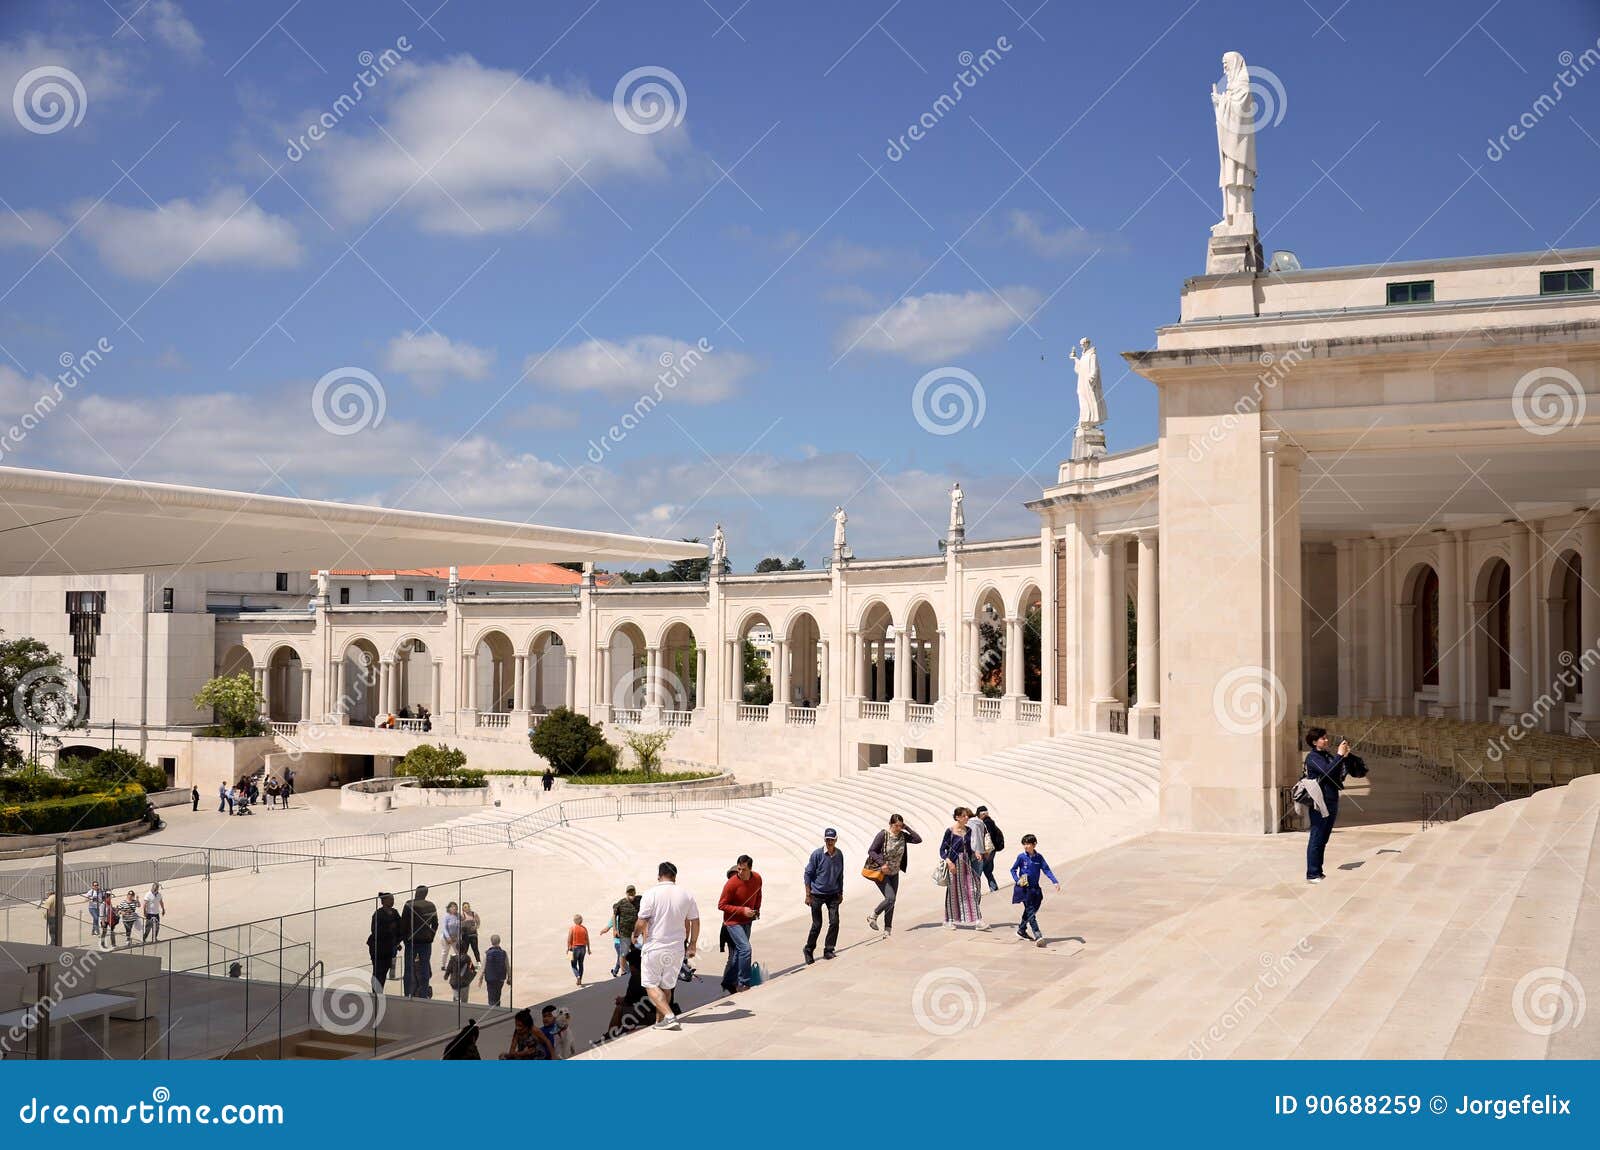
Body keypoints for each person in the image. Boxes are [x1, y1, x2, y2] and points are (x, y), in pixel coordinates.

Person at [633, 861, 700, 1032]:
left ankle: (669, 1017)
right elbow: (695, 921)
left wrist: (635, 935)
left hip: (655, 946)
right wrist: (692, 944)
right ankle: (660, 1022)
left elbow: (642, 921)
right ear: (675, 876)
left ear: (659, 875)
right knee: (667, 987)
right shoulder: (686, 895)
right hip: (676, 949)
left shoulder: (651, 894)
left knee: (650, 985)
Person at [1296, 727, 1362, 883]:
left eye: (1326, 737)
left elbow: (1338, 774)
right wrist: (1339, 755)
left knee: (1324, 838)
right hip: (1320, 802)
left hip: (1332, 799)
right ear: (1314, 742)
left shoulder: (1326, 755)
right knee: (1317, 836)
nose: (1326, 740)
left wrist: (1344, 757)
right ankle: (1312, 873)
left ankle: (1318, 870)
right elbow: (1326, 772)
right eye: (1322, 738)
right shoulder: (1312, 758)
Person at [865, 814, 922, 937]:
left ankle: (887, 929)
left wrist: (907, 828)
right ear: (890, 824)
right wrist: (882, 863)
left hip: (894, 873)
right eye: (896, 826)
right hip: (882, 872)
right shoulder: (883, 835)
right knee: (890, 898)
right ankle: (873, 916)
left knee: (891, 902)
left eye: (900, 826)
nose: (898, 828)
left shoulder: (902, 835)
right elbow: (871, 851)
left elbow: (918, 840)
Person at [717, 854, 762, 993]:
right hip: (732, 921)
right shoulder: (731, 883)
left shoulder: (757, 878)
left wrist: (756, 910)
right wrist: (742, 910)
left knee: (738, 954)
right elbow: (721, 905)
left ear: (750, 869)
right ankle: (743, 983)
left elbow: (758, 893)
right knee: (745, 949)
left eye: (743, 869)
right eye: (739, 869)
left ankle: (728, 982)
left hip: (748, 920)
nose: (740, 872)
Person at [940, 808, 988, 930]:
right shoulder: (950, 831)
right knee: (953, 893)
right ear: (957, 817)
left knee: (972, 889)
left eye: (967, 816)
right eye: (964, 816)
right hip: (954, 865)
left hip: (966, 863)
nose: (967, 818)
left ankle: (977, 920)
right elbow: (942, 850)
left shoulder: (969, 830)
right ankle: (949, 920)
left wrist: (976, 852)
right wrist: (949, 862)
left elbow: (969, 847)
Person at [802, 827, 845, 964]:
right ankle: (808, 949)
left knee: (835, 922)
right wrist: (808, 894)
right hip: (817, 894)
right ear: (824, 840)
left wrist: (841, 892)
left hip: (833, 894)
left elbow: (840, 875)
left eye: (832, 840)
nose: (830, 842)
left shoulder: (839, 855)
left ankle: (829, 949)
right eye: (827, 840)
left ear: (836, 840)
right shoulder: (817, 854)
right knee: (817, 924)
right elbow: (808, 874)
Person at [1009, 834, 1060, 946]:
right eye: (1024, 844)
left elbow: (1046, 870)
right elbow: (1013, 869)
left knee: (1033, 908)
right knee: (1031, 911)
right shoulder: (1021, 857)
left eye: (1028, 844)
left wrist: (1055, 881)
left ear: (1034, 844)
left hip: (1035, 889)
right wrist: (1017, 879)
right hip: (1024, 889)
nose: (1026, 846)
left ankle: (1021, 930)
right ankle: (1038, 935)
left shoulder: (1039, 857)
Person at [400, 885, 439, 997]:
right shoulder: (431, 905)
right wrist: (431, 936)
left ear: (416, 892)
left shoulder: (409, 904)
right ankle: (423, 993)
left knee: (408, 969)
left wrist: (405, 939)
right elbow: (435, 924)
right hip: (426, 941)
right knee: (425, 967)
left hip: (412, 941)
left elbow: (404, 924)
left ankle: (407, 993)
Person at [369, 892, 402, 992]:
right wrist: (389, 929)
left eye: (393, 899)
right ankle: (375, 992)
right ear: (383, 901)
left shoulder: (395, 912)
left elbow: (400, 927)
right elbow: (375, 931)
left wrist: (397, 941)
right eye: (390, 899)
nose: (392, 901)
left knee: (384, 970)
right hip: (379, 949)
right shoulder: (378, 914)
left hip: (390, 948)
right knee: (378, 971)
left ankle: (379, 990)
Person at [975, 805, 1005, 894]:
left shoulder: (986, 822)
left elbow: (988, 837)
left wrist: (986, 852)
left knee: (980, 870)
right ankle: (993, 887)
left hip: (988, 850)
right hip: (991, 849)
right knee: (987, 870)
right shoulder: (989, 821)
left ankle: (977, 891)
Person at [611, 884, 640, 963]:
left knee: (637, 953)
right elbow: (614, 915)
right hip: (624, 933)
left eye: (632, 892)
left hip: (635, 933)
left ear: (635, 892)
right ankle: (623, 972)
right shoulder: (621, 903)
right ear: (626, 893)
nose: (631, 893)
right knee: (624, 953)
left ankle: (635, 971)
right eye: (629, 892)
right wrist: (614, 930)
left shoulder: (639, 900)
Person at [445, 939, 477, 1004]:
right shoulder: (467, 958)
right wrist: (470, 978)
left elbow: (449, 969)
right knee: (464, 1002)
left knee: (456, 1000)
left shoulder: (453, 959)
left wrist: (446, 975)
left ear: (457, 948)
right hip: (464, 983)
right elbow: (472, 969)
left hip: (455, 982)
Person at [481, 934, 510, 1007]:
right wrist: (509, 977)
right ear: (499, 941)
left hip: (490, 978)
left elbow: (483, 967)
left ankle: (492, 1009)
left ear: (491, 942)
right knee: (498, 994)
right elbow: (507, 966)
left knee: (491, 995)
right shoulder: (504, 953)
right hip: (500, 978)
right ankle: (497, 1007)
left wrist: (481, 976)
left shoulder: (487, 953)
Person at [567, 914, 591, 986]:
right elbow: (587, 939)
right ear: (581, 921)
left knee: (573, 964)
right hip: (583, 948)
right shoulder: (584, 928)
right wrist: (589, 949)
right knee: (581, 964)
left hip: (574, 948)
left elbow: (569, 939)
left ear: (574, 921)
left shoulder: (572, 928)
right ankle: (580, 979)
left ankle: (577, 976)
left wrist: (568, 948)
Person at [440, 901, 462, 968]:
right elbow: (444, 928)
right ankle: (443, 965)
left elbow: (459, 927)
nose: (454, 908)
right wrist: (448, 937)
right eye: (452, 907)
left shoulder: (458, 915)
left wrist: (457, 937)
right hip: (446, 938)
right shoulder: (446, 916)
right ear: (449, 908)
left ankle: (459, 965)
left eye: (455, 906)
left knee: (458, 951)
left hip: (455, 937)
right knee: (445, 951)